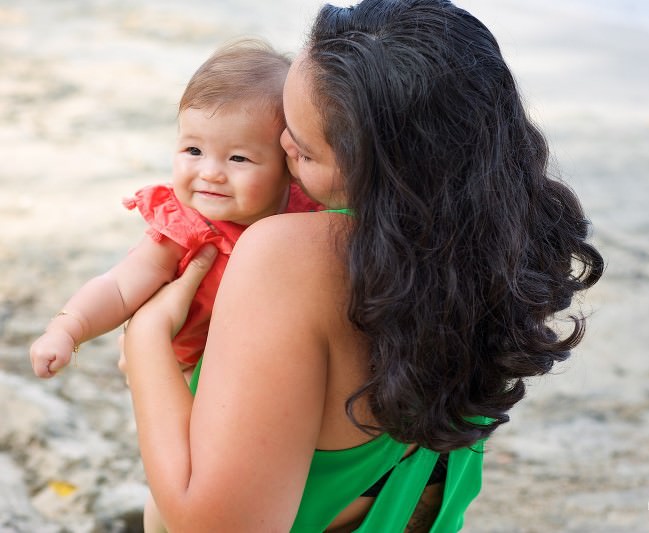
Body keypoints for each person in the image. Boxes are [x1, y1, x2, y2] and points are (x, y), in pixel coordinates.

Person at [120, 0, 604, 531]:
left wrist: (145, 343)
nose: (279, 145)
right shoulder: (500, 242)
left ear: (372, 170)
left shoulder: (289, 257)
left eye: (301, 151)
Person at [29, 38, 321, 380]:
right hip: (190, 369)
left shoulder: (310, 213)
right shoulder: (185, 226)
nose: (209, 172)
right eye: (193, 150)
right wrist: (68, 329)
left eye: (238, 158)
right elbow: (120, 287)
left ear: (290, 165)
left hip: (270, 360)